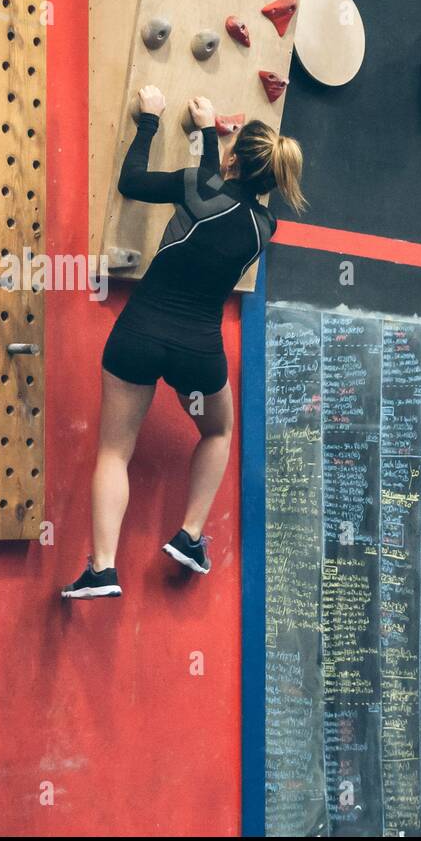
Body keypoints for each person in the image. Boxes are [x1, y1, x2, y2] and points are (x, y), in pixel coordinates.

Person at [62, 86, 307, 599]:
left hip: (139, 334)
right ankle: (190, 536)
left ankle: (104, 568)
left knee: (114, 452)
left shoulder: (199, 187)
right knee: (218, 432)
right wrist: (210, 136)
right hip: (198, 350)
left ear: (236, 158)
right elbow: (223, 198)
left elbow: (135, 183)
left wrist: (150, 121)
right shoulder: (267, 227)